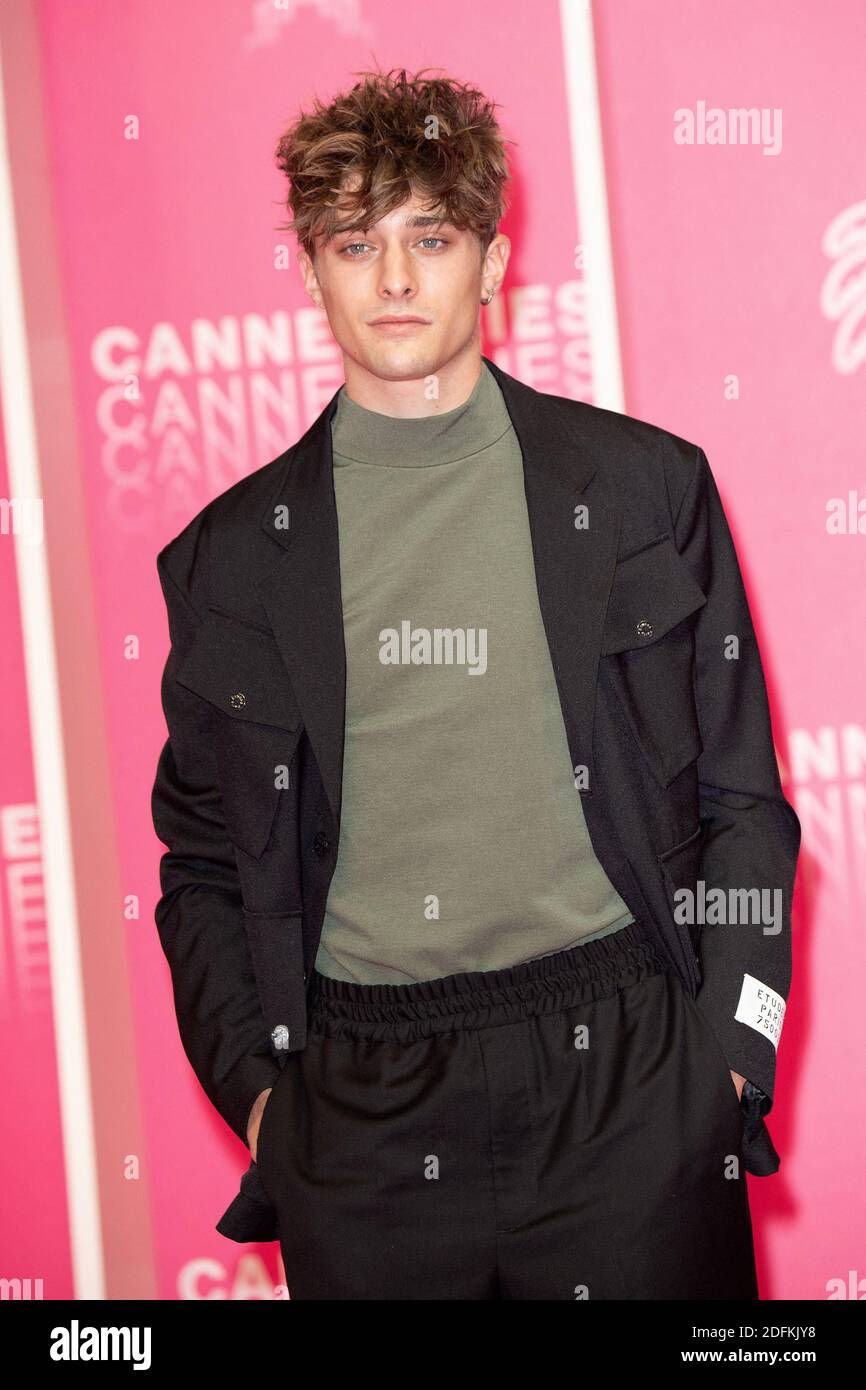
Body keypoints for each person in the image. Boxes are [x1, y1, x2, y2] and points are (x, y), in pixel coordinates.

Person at [151, 67, 800, 1299]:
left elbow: (743, 804)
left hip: (628, 1075)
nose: (394, 279)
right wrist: (262, 1096)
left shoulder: (641, 492)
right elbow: (201, 865)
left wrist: (728, 1055)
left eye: (430, 238)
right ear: (307, 269)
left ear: (492, 264)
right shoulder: (229, 560)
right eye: (355, 241)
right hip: (361, 1112)